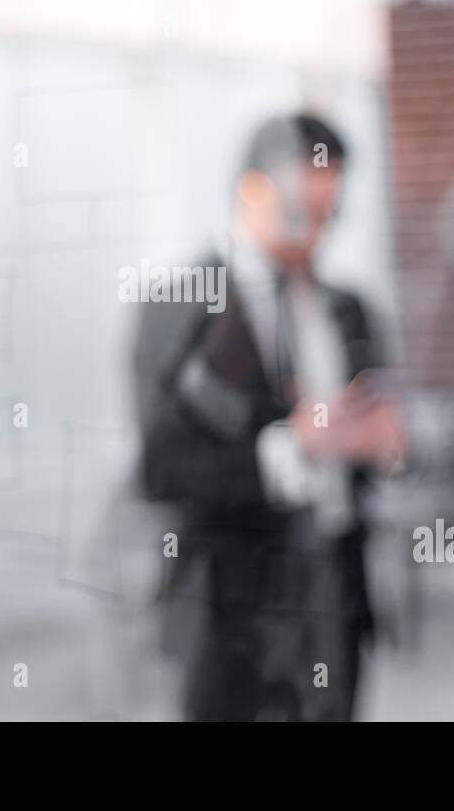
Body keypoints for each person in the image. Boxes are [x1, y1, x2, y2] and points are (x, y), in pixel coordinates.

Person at [133, 113, 408, 720]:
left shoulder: (347, 310)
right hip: (231, 617)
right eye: (298, 211)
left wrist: (387, 446)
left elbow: (380, 447)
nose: (313, 234)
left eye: (328, 215)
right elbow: (161, 469)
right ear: (250, 192)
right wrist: (292, 448)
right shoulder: (180, 305)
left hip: (335, 596)